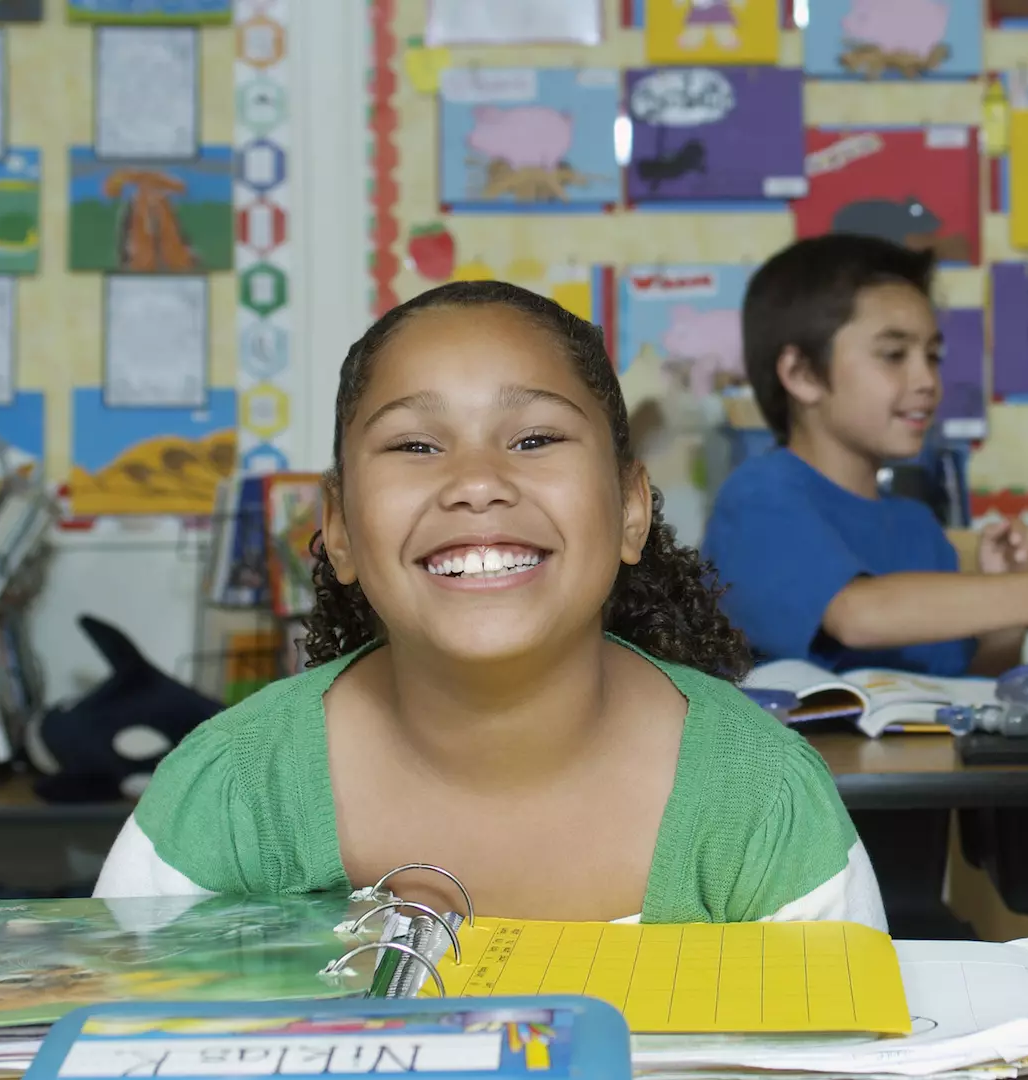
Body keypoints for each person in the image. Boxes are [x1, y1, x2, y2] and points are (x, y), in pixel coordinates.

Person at [94, 281, 886, 929]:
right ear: (335, 528)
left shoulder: (761, 802)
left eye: (535, 439)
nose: (476, 483)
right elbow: (108, 1035)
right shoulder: (232, 792)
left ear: (632, 508)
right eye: (415, 445)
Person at [703, 234, 1028, 677]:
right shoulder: (756, 498)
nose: (927, 380)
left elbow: (971, 677)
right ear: (802, 373)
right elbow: (857, 617)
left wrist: (1008, 598)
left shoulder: (918, 525)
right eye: (893, 355)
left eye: (933, 356)